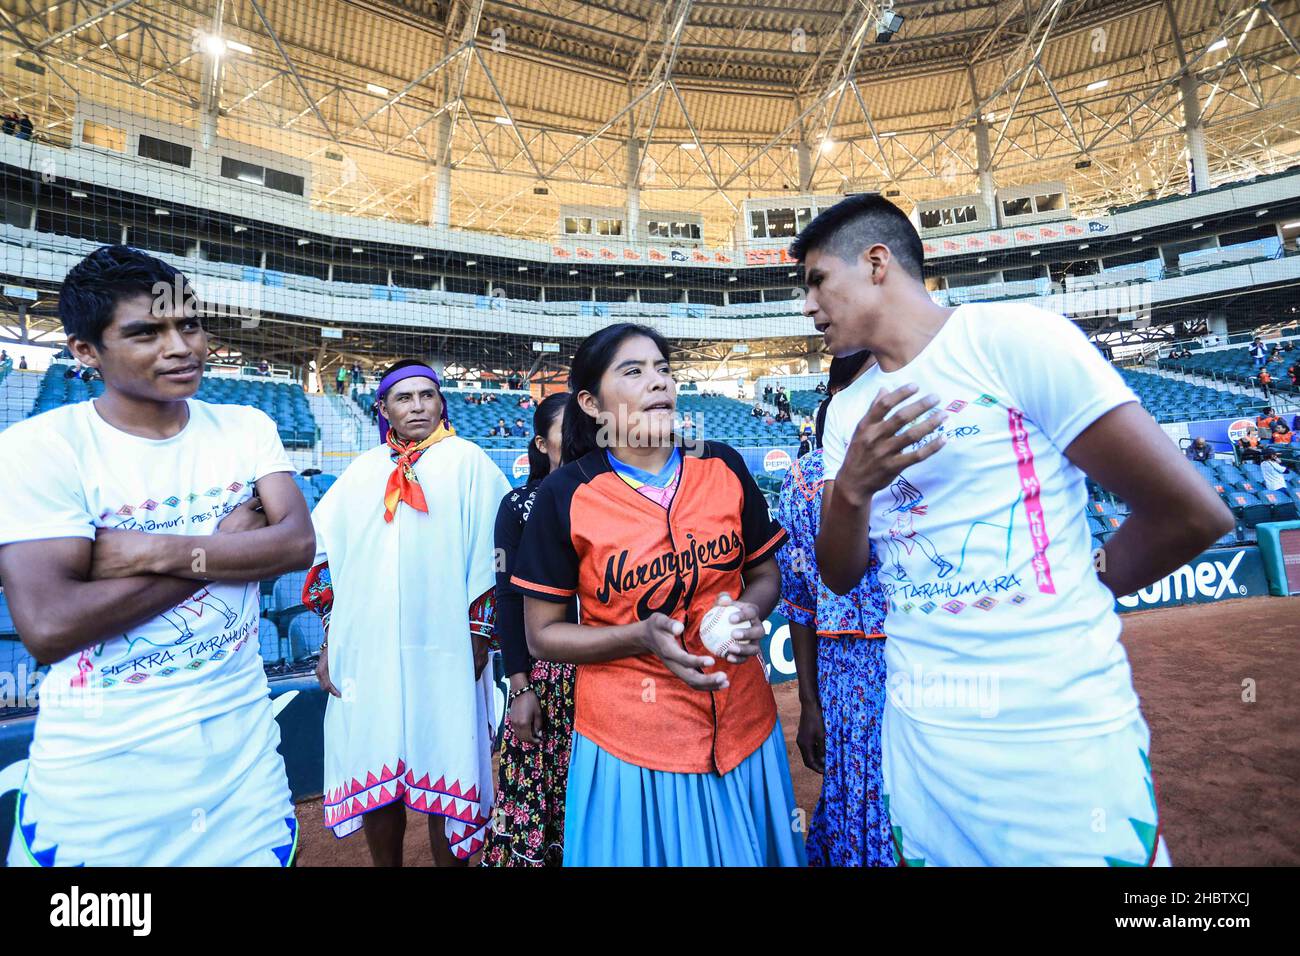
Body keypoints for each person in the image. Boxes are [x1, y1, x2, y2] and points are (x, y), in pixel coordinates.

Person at [800, 194, 1232, 866]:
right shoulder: (847, 411)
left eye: (816, 280)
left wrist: (1080, 588)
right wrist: (852, 489)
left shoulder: (1017, 340)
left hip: (1056, 731)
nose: (808, 306)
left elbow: (1193, 513)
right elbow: (838, 573)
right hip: (922, 739)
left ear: (877, 263)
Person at [0, 245, 314, 866]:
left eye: (189, 324)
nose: (181, 347)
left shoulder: (246, 426)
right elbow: (53, 627)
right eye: (146, 332)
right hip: (102, 783)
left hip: (243, 765)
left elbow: (296, 544)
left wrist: (143, 550)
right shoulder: (40, 449)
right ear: (85, 351)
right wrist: (228, 547)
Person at [512, 323, 805, 867]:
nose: (658, 383)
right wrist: (639, 637)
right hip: (634, 739)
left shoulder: (723, 464)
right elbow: (542, 634)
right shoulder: (565, 493)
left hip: (743, 720)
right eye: (634, 371)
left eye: (664, 370)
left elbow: (765, 575)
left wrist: (749, 610)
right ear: (590, 403)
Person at [304, 359, 510, 866]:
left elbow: (494, 553)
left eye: (426, 395)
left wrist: (480, 634)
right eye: (404, 397)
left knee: (445, 756)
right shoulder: (361, 473)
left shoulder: (470, 463)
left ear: (441, 403)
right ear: (384, 409)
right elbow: (324, 554)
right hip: (370, 650)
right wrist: (334, 641)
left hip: (446, 645)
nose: (417, 405)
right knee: (379, 760)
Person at [774, 350, 894, 867]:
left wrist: (809, 704)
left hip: (873, 662)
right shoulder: (807, 481)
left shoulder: (802, 480)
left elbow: (799, 605)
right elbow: (800, 602)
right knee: (876, 794)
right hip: (864, 661)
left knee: (869, 792)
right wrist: (809, 704)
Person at [483, 394, 576, 867]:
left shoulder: (617, 493)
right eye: (569, 427)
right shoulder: (517, 506)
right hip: (549, 681)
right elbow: (508, 596)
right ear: (541, 442)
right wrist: (519, 685)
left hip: (616, 676)